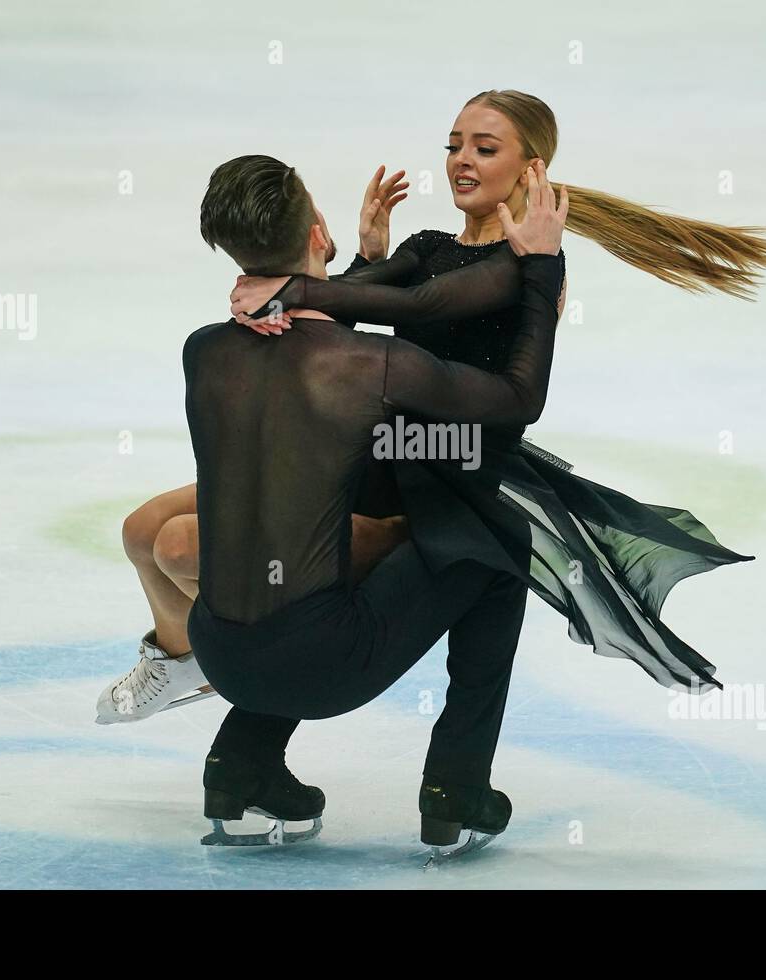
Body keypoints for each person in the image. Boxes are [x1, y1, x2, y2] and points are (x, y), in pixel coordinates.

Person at [99, 89, 765, 726]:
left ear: (529, 167)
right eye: (454, 146)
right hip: (375, 446)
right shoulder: (428, 246)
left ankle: (370, 564)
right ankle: (181, 661)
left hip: (445, 472)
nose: (461, 160)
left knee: (184, 546)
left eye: (483, 148)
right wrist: (358, 259)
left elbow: (422, 307)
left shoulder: (519, 266)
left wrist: (294, 288)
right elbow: (352, 308)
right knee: (144, 530)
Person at [185, 153, 568, 850]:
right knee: (496, 548)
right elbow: (520, 400)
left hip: (216, 645)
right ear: (317, 232)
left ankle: (241, 765)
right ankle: (457, 787)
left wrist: (351, 273)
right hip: (321, 666)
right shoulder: (369, 366)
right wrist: (543, 269)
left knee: (339, 530)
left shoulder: (204, 350)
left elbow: (305, 374)